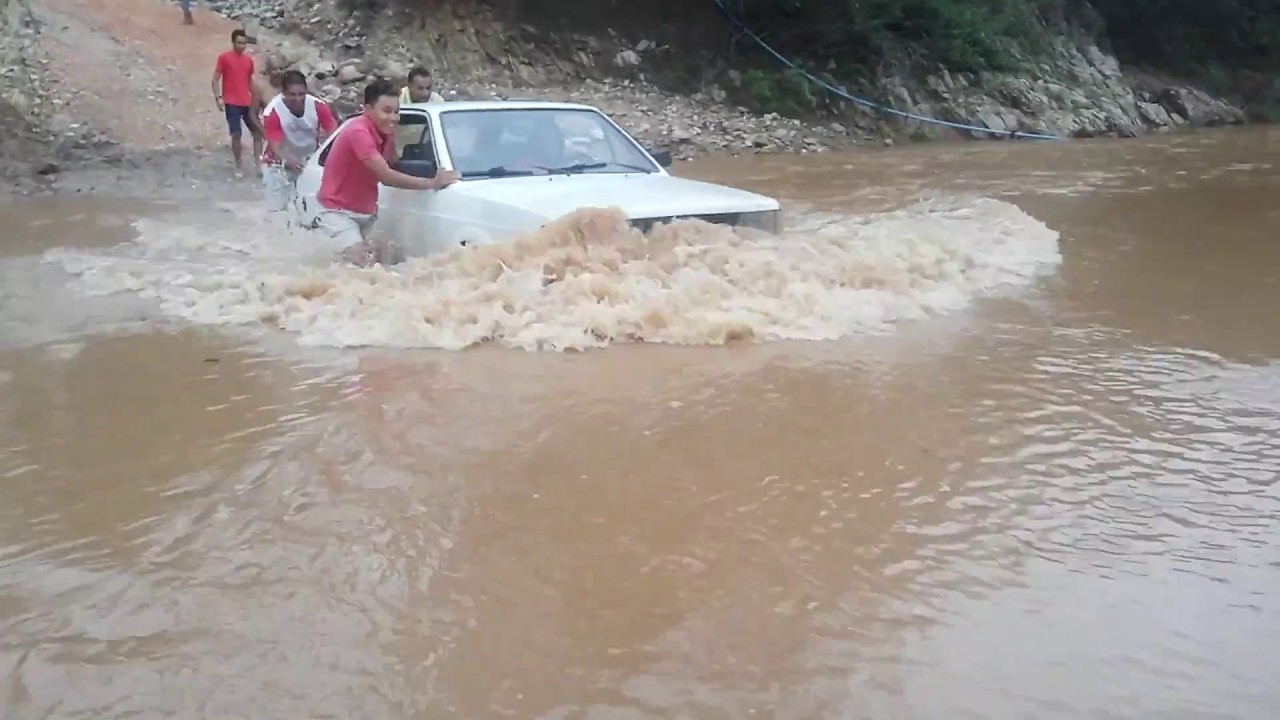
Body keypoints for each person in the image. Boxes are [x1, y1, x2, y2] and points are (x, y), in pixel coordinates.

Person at [315, 78, 458, 264]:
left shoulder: (387, 131)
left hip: (366, 212)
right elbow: (386, 176)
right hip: (336, 211)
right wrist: (431, 183)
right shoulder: (358, 132)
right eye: (387, 111)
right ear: (367, 110)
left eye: (397, 111)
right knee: (359, 266)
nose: (394, 118)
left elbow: (393, 163)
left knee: (382, 262)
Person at [261, 70, 337, 212]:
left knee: (309, 207)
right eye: (292, 95)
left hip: (307, 160)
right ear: (283, 92)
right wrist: (291, 161)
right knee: (278, 209)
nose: (297, 99)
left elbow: (334, 135)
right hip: (277, 163)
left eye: (301, 94)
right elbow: (277, 147)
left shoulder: (319, 106)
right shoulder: (272, 112)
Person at [211, 29, 264, 177]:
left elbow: (249, 81)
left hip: (246, 102)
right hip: (231, 101)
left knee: (257, 132)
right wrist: (218, 97)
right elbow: (215, 78)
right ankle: (238, 165)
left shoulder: (248, 61)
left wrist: (258, 96)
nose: (242, 46)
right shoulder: (224, 58)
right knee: (236, 134)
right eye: (239, 43)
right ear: (233, 42)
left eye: (244, 43)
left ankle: (258, 164)